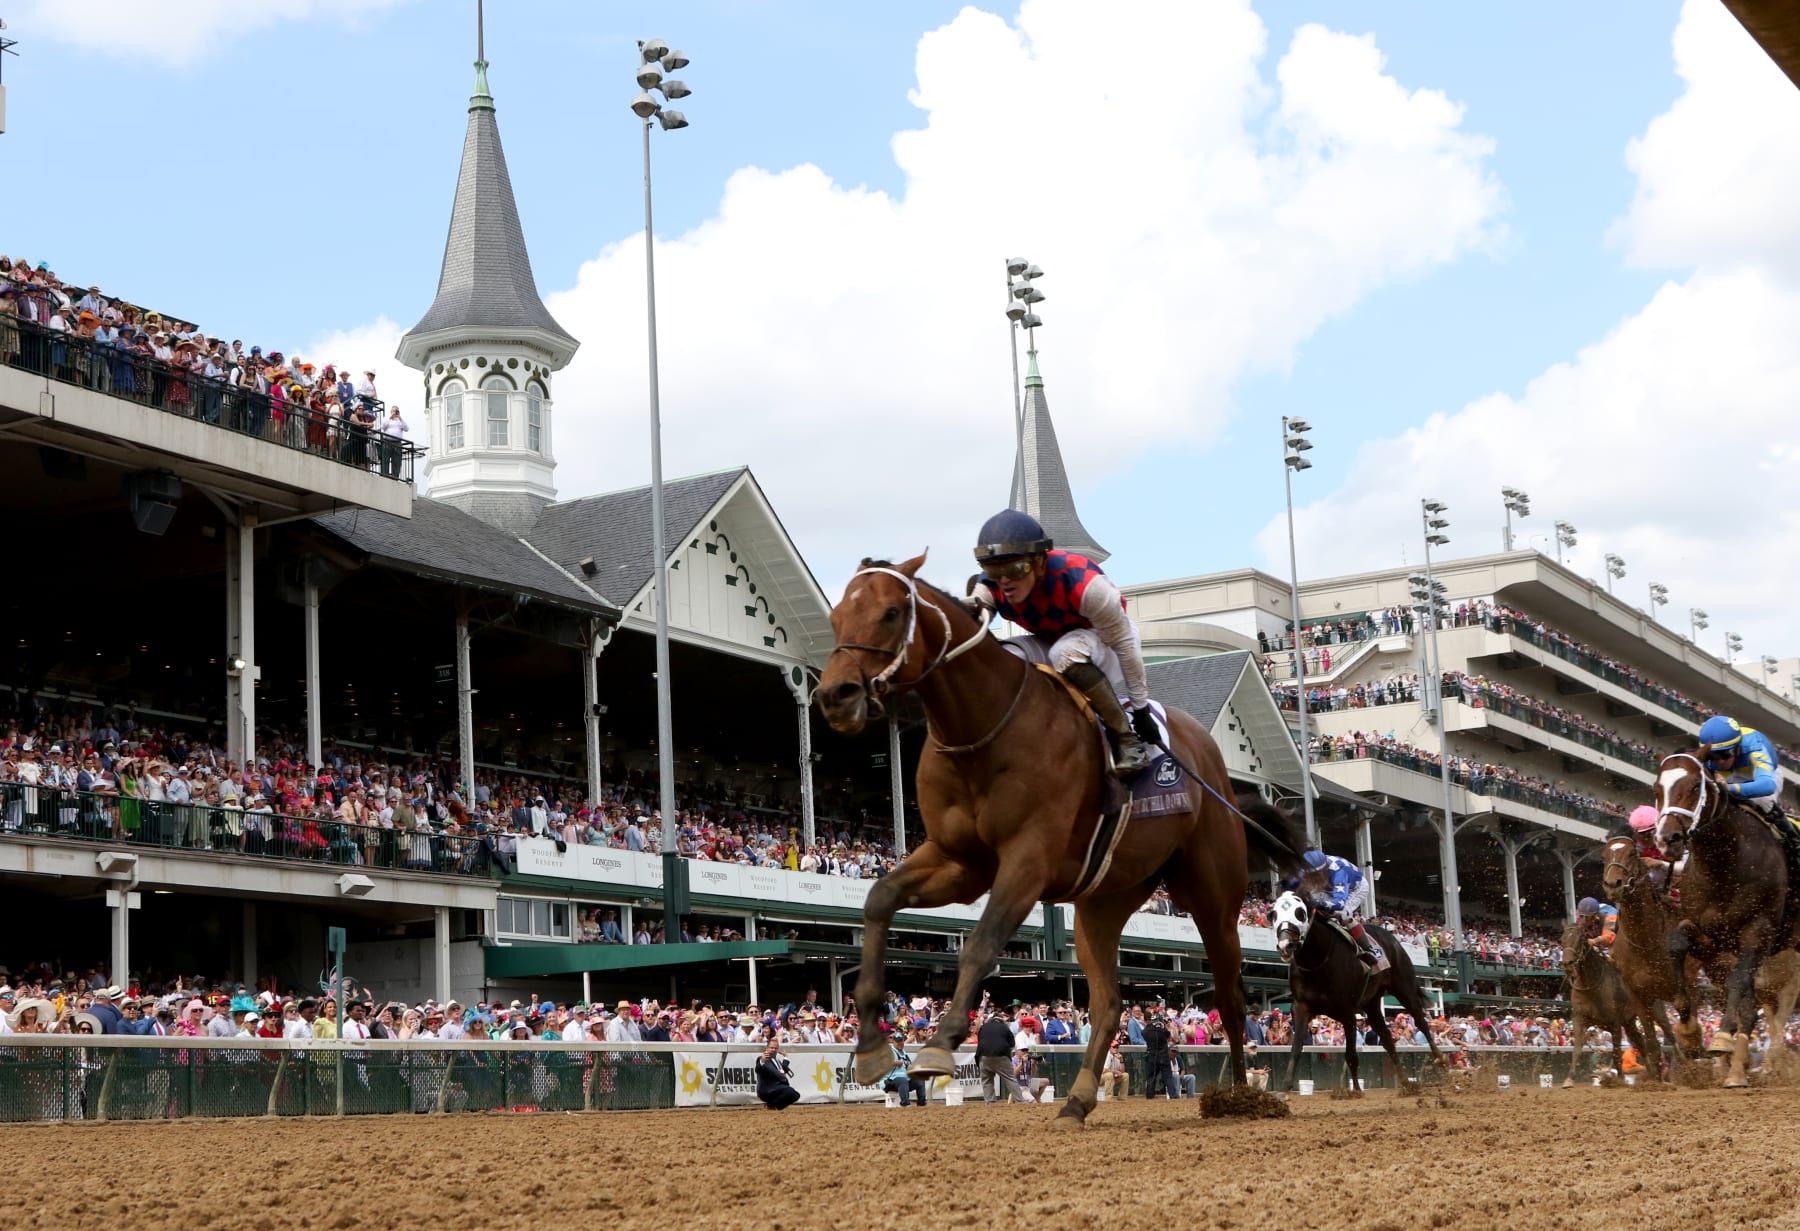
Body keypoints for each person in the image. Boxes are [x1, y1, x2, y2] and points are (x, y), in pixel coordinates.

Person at [966, 509, 1157, 773]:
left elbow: (1125, 645)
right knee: (1008, 655)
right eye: (993, 569)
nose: (1005, 581)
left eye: (1015, 568)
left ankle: (1126, 741)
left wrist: (1141, 710)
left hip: (1107, 642)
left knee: (1064, 652)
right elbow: (975, 623)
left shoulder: (1087, 586)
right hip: (1052, 639)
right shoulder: (991, 585)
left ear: (1040, 562)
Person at [1290, 849, 1386, 970]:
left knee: (1341, 914)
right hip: (1330, 889)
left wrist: (1321, 903)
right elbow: (1294, 883)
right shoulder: (1311, 867)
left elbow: (1339, 903)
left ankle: (1368, 949)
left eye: (1313, 875)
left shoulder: (1338, 872)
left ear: (1323, 870)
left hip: (1355, 888)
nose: (1310, 878)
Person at [1698, 717, 1784, 818]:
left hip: (1762, 776)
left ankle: (1785, 827)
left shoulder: (1754, 746)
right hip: (1729, 777)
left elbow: (1768, 785)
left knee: (1762, 800)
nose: (1720, 761)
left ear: (1737, 748)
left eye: (1725, 754)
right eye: (1712, 756)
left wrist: (1730, 788)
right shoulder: (1705, 756)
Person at [975, 1005, 1029, 1103]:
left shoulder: (984, 1027)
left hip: (983, 1055)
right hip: (1001, 1055)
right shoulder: (1004, 1027)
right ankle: (1020, 1101)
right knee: (1010, 1078)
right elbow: (1012, 1043)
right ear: (1001, 1020)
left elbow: (980, 1041)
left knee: (987, 1080)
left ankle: (990, 1102)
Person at [1627, 804, 1673, 888]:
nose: (1645, 839)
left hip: (1670, 889)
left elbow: (1686, 869)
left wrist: (1661, 864)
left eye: (1648, 834)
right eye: (1641, 834)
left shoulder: (1670, 844)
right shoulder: (1631, 848)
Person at [754, 1038, 801, 1111]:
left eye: (775, 1048)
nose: (773, 1049)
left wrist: (786, 1058)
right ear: (767, 1048)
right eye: (771, 1048)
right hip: (767, 1090)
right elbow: (758, 1069)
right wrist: (762, 1061)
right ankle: (770, 1106)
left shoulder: (777, 1061)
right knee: (790, 1091)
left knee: (796, 1095)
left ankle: (773, 1107)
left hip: (778, 1088)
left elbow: (781, 1071)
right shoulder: (762, 1059)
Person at [1141, 1011, 1173, 1098]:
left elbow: (1144, 1034)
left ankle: (1150, 1096)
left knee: (1151, 1077)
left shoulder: (1146, 1031)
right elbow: (1168, 1036)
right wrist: (1164, 1025)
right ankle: (1173, 1096)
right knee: (1168, 1076)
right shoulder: (1162, 1029)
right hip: (1164, 1056)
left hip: (1153, 1056)